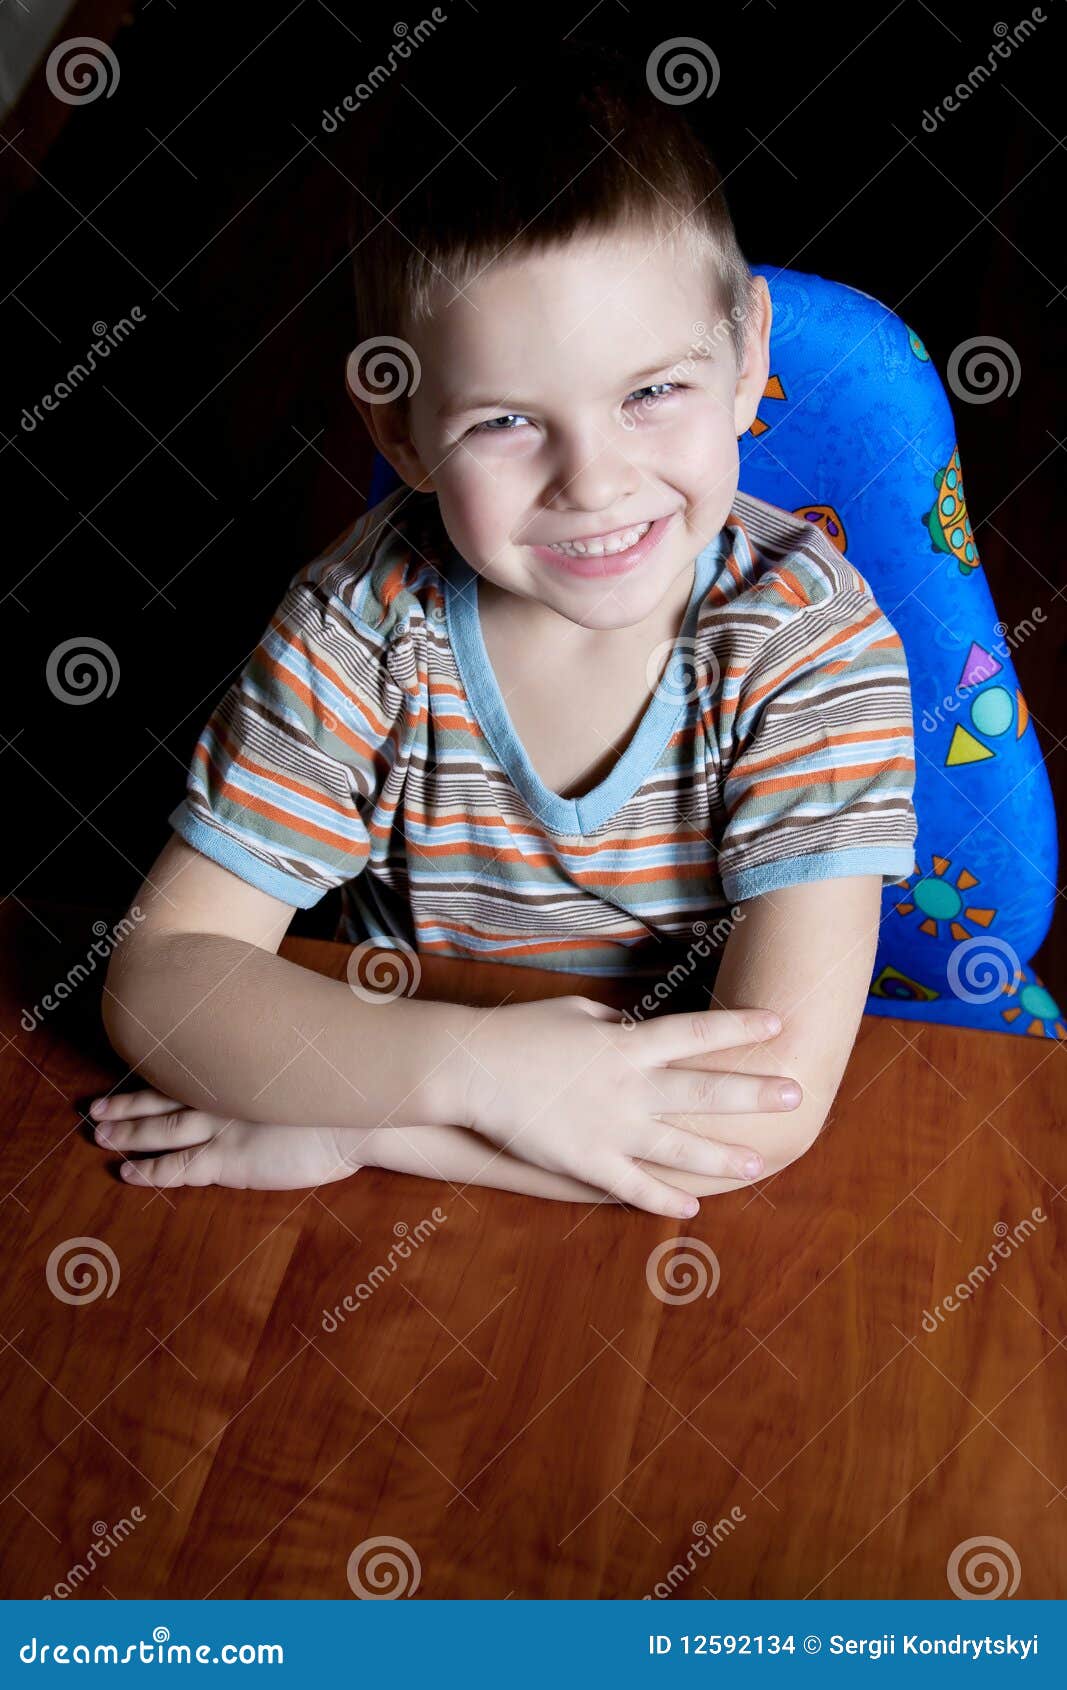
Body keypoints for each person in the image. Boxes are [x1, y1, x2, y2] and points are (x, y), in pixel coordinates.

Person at [92, 40, 917, 1215]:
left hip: (623, 1149)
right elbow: (160, 980)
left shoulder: (807, 649)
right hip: (427, 1055)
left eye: (649, 393)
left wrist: (360, 1129)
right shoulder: (359, 629)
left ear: (744, 360)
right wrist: (471, 1074)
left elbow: (756, 1109)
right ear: (398, 432)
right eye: (504, 422)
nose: (593, 481)